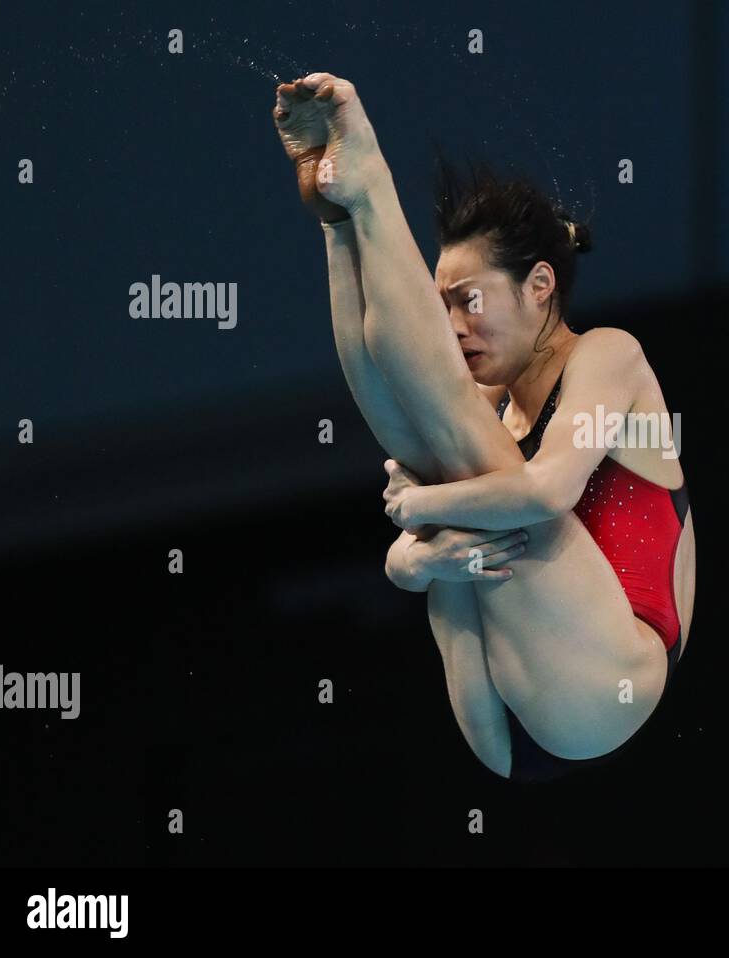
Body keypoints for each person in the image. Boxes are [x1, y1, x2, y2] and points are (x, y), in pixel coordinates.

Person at [273, 72, 695, 782]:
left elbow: (548, 491)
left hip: (605, 687)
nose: (454, 327)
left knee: (464, 453)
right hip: (500, 725)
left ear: (540, 286)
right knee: (430, 431)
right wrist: (415, 557)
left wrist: (423, 512)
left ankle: (370, 188)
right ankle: (338, 224)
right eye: (441, 307)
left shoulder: (608, 356)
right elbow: (409, 556)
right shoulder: (488, 413)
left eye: (468, 301)